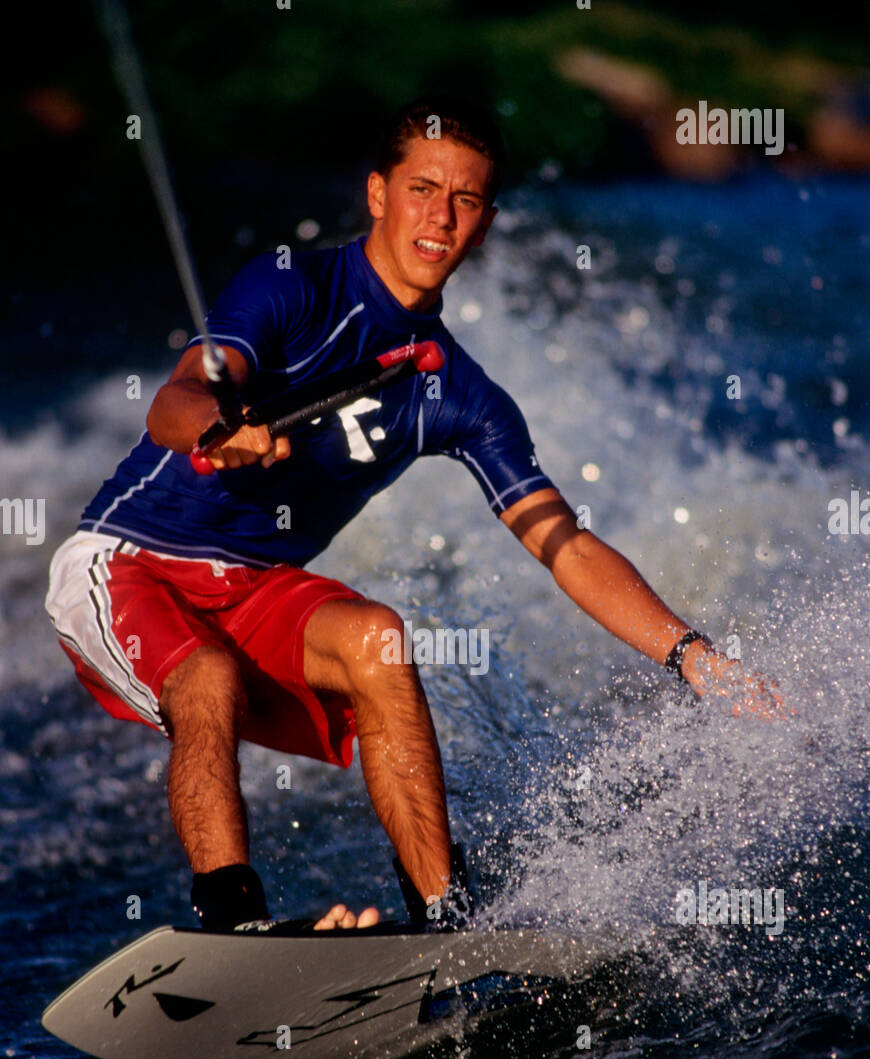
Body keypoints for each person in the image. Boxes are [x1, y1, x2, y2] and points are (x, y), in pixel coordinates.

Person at [45, 97, 782, 936]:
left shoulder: (459, 394)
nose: (441, 217)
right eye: (423, 188)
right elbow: (174, 401)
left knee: (379, 641)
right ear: (378, 194)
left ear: (486, 224)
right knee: (204, 679)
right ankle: (234, 923)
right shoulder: (292, 285)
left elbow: (566, 545)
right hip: (128, 561)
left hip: (251, 588)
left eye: (465, 200)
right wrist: (218, 429)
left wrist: (691, 655)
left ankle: (446, 916)